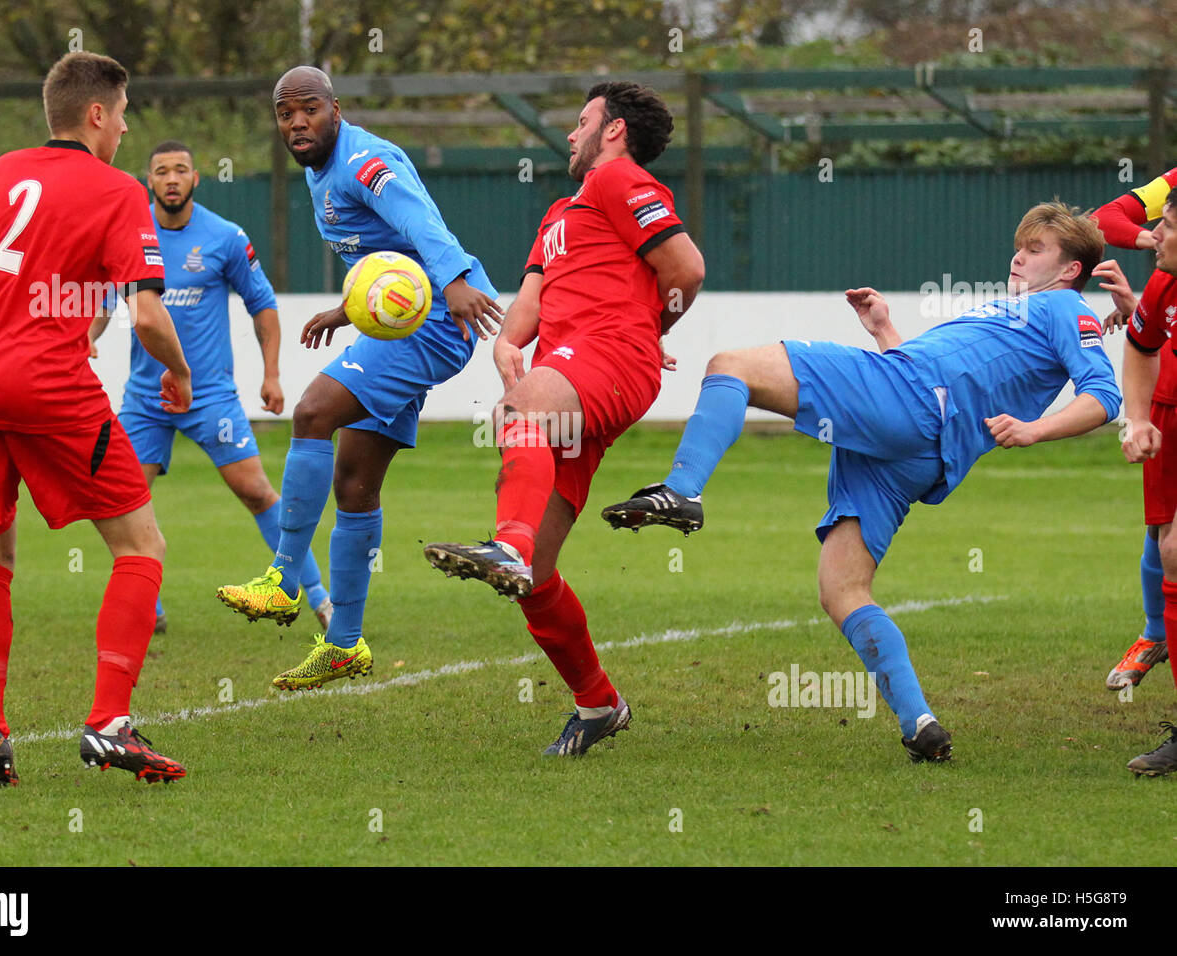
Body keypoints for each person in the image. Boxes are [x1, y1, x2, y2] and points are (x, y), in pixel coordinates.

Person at [600, 201, 1120, 764]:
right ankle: (919, 722)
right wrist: (887, 332)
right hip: (918, 451)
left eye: (1036, 249)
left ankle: (683, 488)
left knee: (732, 365)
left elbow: (1105, 395)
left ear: (1070, 270)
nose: (1019, 256)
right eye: (1019, 245)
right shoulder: (1012, 314)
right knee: (842, 590)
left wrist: (1036, 430)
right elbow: (960, 377)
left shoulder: (1065, 306)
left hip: (912, 401)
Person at [0, 51, 192, 785]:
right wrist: (178, 371)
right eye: (123, 115)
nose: (126, 131)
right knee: (141, 546)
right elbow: (149, 314)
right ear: (96, 115)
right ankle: (108, 722)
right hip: (51, 389)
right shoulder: (117, 190)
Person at [424, 82, 706, 756]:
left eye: (582, 122)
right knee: (539, 577)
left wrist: (653, 322)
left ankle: (506, 544)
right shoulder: (561, 209)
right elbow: (535, 293)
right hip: (571, 372)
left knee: (517, 414)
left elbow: (686, 268)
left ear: (613, 131)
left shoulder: (618, 178)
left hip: (606, 357)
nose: (572, 134)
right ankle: (597, 703)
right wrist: (504, 343)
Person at [217, 66, 503, 692]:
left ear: (335, 109)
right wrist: (347, 310)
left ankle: (284, 579)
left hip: (436, 317)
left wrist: (454, 280)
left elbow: (419, 222)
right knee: (353, 482)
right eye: (285, 113)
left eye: (309, 109)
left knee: (312, 413)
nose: (297, 122)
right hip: (405, 319)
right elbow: (386, 262)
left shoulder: (365, 162)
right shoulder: (324, 169)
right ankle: (344, 643)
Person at [90, 140, 330, 635]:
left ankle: (321, 600)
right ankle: (146, 608)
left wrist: (271, 373)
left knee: (256, 491)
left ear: (196, 178)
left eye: (181, 170)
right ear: (149, 181)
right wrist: (83, 341)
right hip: (145, 399)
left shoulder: (225, 237)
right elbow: (106, 303)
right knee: (123, 499)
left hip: (210, 397)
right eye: (162, 172)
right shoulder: (132, 236)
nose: (172, 179)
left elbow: (262, 304)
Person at [1092, 167, 1177, 691]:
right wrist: (1162, 235)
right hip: (1167, 399)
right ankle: (1155, 633)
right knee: (1164, 537)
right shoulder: (1171, 184)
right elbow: (1106, 219)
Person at [1111, 189, 1177, 775]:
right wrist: (1137, 419)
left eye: (1168, 228)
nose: (1156, 236)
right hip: (1171, 419)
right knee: (1167, 549)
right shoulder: (1162, 285)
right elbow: (1139, 345)